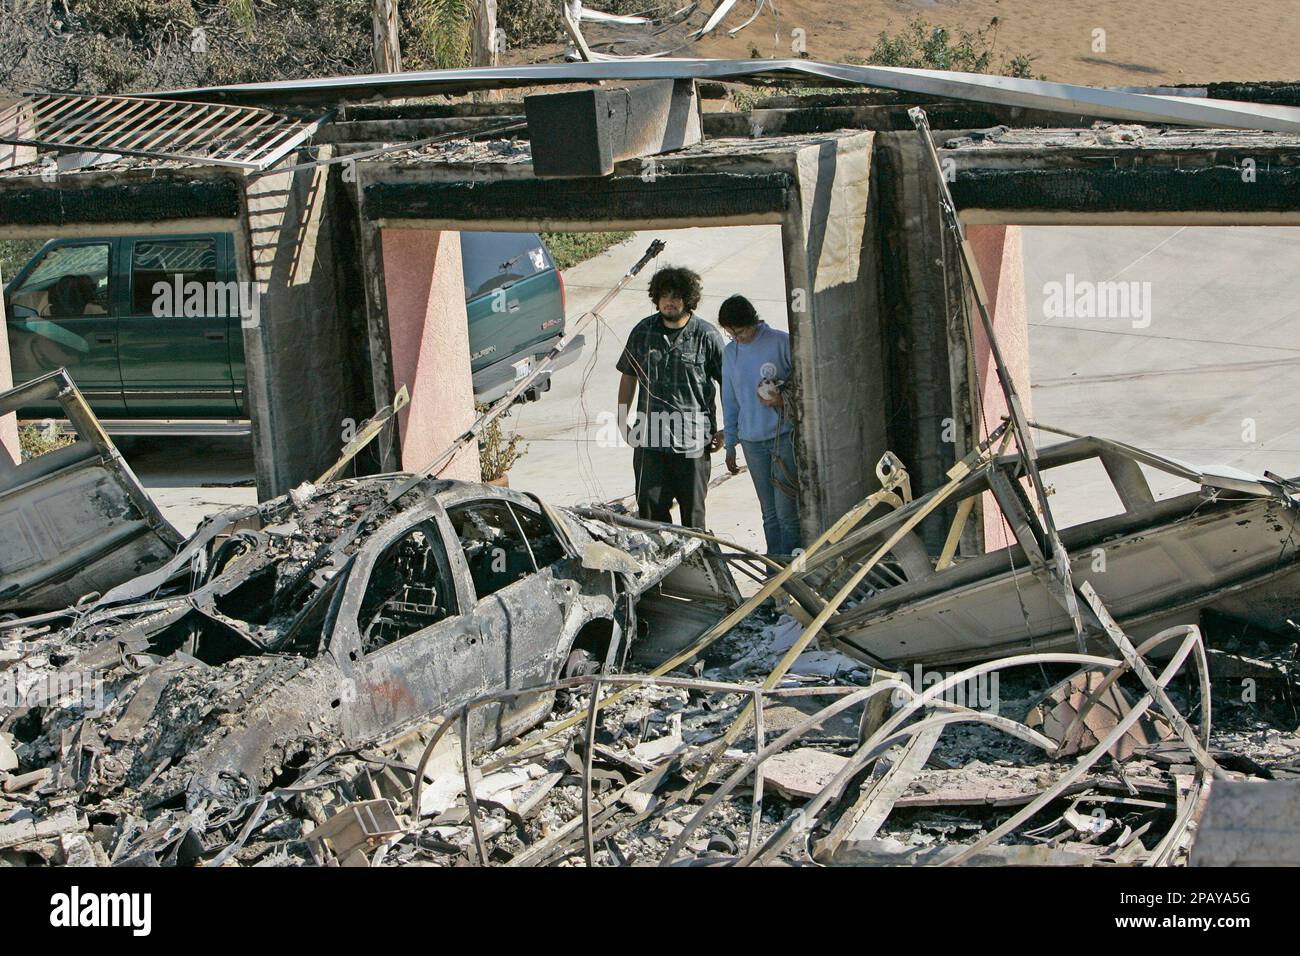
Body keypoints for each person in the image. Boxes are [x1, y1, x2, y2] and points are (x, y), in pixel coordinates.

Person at [616, 265, 724, 528]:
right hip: (650, 441)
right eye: (664, 295)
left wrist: (727, 429)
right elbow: (628, 376)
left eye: (676, 296)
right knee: (651, 517)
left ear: (688, 299)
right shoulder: (643, 332)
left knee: (693, 518)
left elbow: (729, 385)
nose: (669, 302)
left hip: (693, 441)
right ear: (656, 298)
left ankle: (695, 568)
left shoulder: (707, 336)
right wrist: (621, 421)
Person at [718, 294, 801, 556]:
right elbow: (730, 401)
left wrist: (781, 397)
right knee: (770, 514)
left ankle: (792, 575)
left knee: (787, 512)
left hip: (783, 438)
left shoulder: (781, 341)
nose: (737, 338)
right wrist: (731, 444)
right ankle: (773, 575)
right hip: (752, 443)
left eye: (740, 331)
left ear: (752, 322)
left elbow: (805, 385)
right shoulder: (730, 353)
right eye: (731, 334)